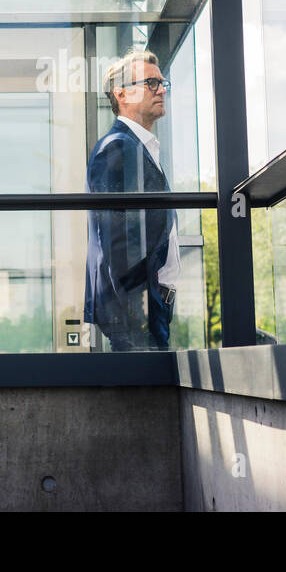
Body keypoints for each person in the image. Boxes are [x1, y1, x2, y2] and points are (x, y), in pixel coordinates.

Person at [83, 48, 180, 351]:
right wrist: (137, 318)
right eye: (151, 83)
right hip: (135, 315)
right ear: (121, 93)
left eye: (163, 83)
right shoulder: (118, 148)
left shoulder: (140, 148)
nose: (161, 89)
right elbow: (118, 244)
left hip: (151, 307)